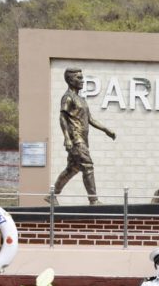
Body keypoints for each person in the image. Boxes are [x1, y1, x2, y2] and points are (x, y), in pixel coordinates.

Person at [47, 67, 116, 206]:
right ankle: (93, 200)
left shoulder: (82, 99)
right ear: (70, 80)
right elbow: (62, 118)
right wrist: (67, 138)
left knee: (72, 169)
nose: (82, 80)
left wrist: (105, 130)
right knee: (88, 166)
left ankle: (52, 195)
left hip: (83, 139)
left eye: (82, 77)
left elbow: (90, 119)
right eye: (79, 78)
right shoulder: (68, 97)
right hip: (75, 139)